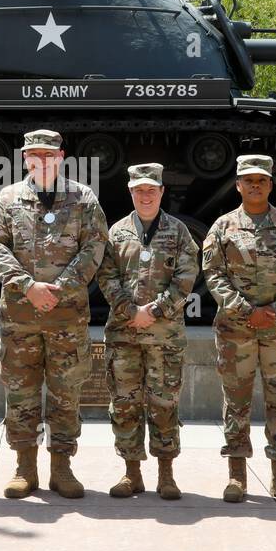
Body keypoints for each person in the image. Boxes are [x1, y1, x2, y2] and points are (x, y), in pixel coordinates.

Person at [0, 129, 108, 499]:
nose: (42, 160)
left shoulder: (83, 198)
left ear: (62, 156)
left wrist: (62, 288)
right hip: (21, 314)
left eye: (49, 154)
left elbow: (95, 246)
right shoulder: (7, 199)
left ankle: (62, 467)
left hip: (66, 316)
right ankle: (24, 466)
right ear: (25, 159)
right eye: (34, 155)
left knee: (66, 392)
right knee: (21, 392)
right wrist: (27, 286)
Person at [202, 154, 276, 503]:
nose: (255, 185)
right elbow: (213, 274)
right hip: (236, 330)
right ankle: (237, 476)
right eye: (248, 180)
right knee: (236, 402)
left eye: (261, 180)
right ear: (237, 185)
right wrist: (245, 310)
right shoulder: (223, 227)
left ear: (270, 184)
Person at [96, 163, 200, 500]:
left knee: (163, 404)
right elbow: (105, 276)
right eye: (139, 190)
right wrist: (130, 311)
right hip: (124, 335)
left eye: (151, 189)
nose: (145, 195)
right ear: (130, 192)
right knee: (124, 404)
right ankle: (131, 473)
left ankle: (166, 474)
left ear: (161, 192)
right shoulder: (116, 233)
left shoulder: (179, 232)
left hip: (164, 337)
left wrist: (154, 310)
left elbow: (186, 278)